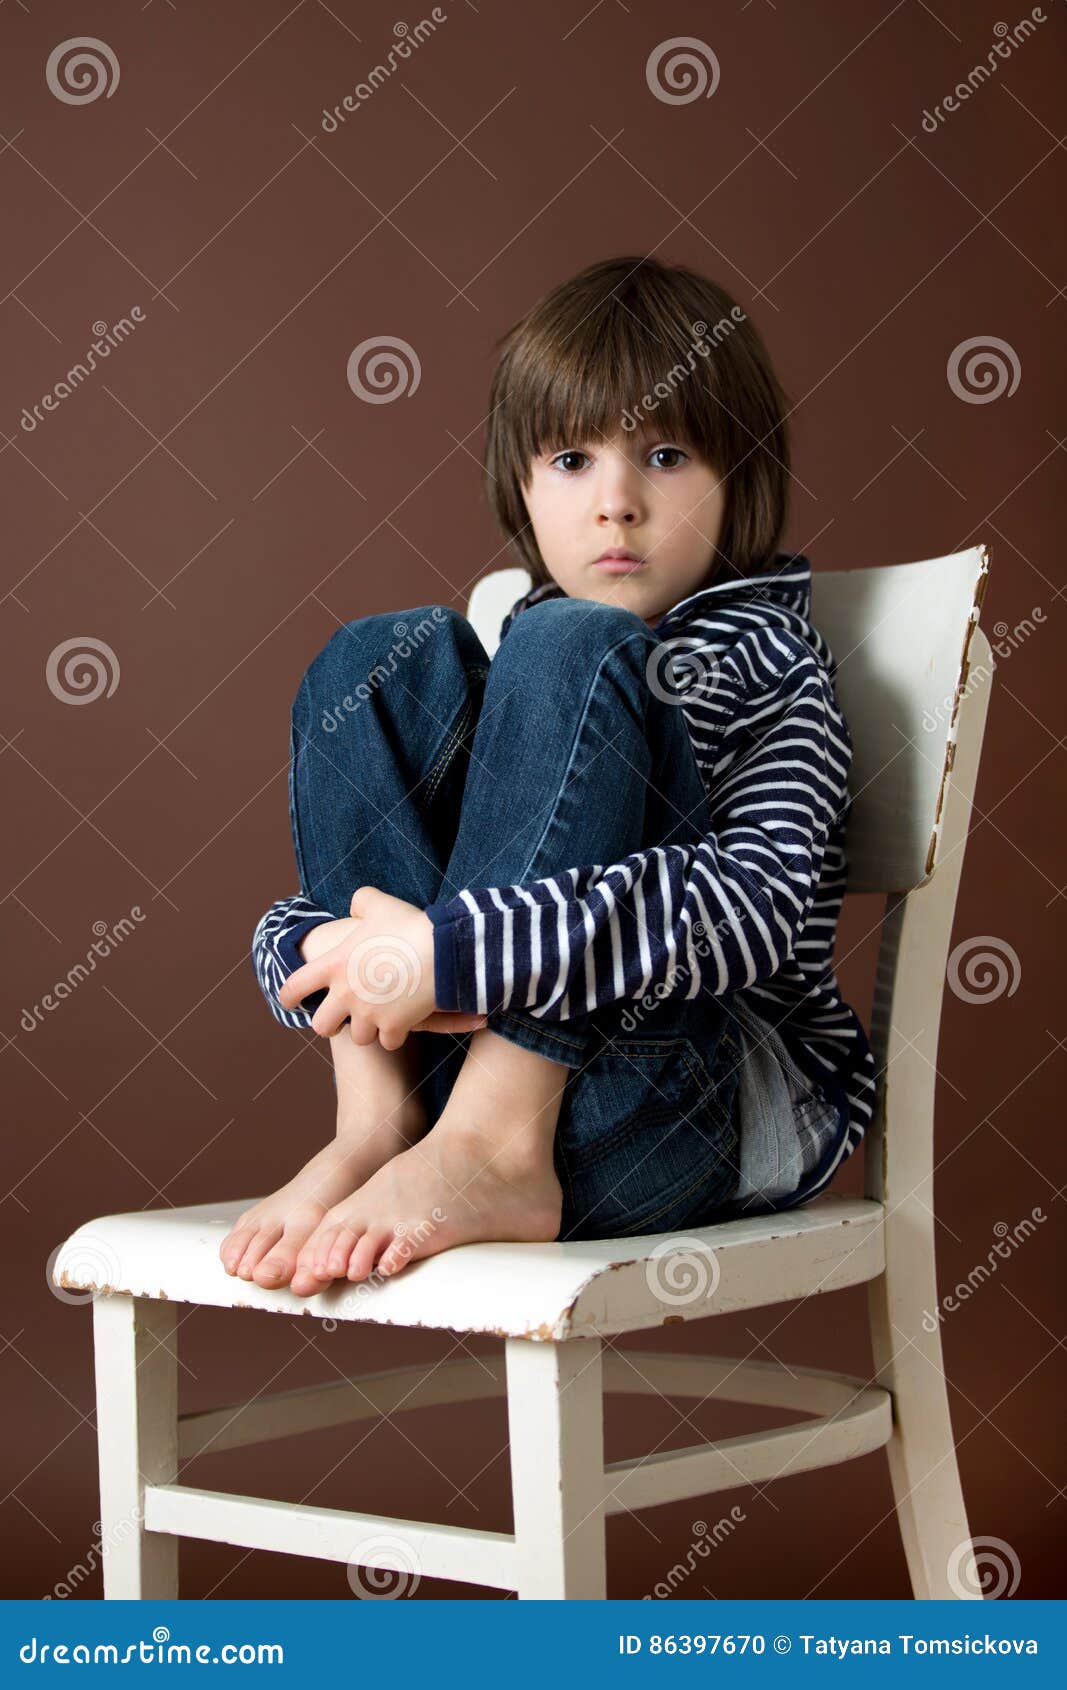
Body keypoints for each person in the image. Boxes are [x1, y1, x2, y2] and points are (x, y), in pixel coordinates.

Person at [219, 254, 877, 1299]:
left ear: (736, 474)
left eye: (663, 455)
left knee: (578, 643)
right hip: (440, 1105)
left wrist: (454, 948)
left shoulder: (767, 665)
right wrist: (327, 950)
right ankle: (374, 1124)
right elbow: (341, 924)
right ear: (520, 486)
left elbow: (753, 908)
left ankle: (491, 1142)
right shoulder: (506, 667)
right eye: (570, 460)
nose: (614, 504)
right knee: (370, 659)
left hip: (675, 1112)